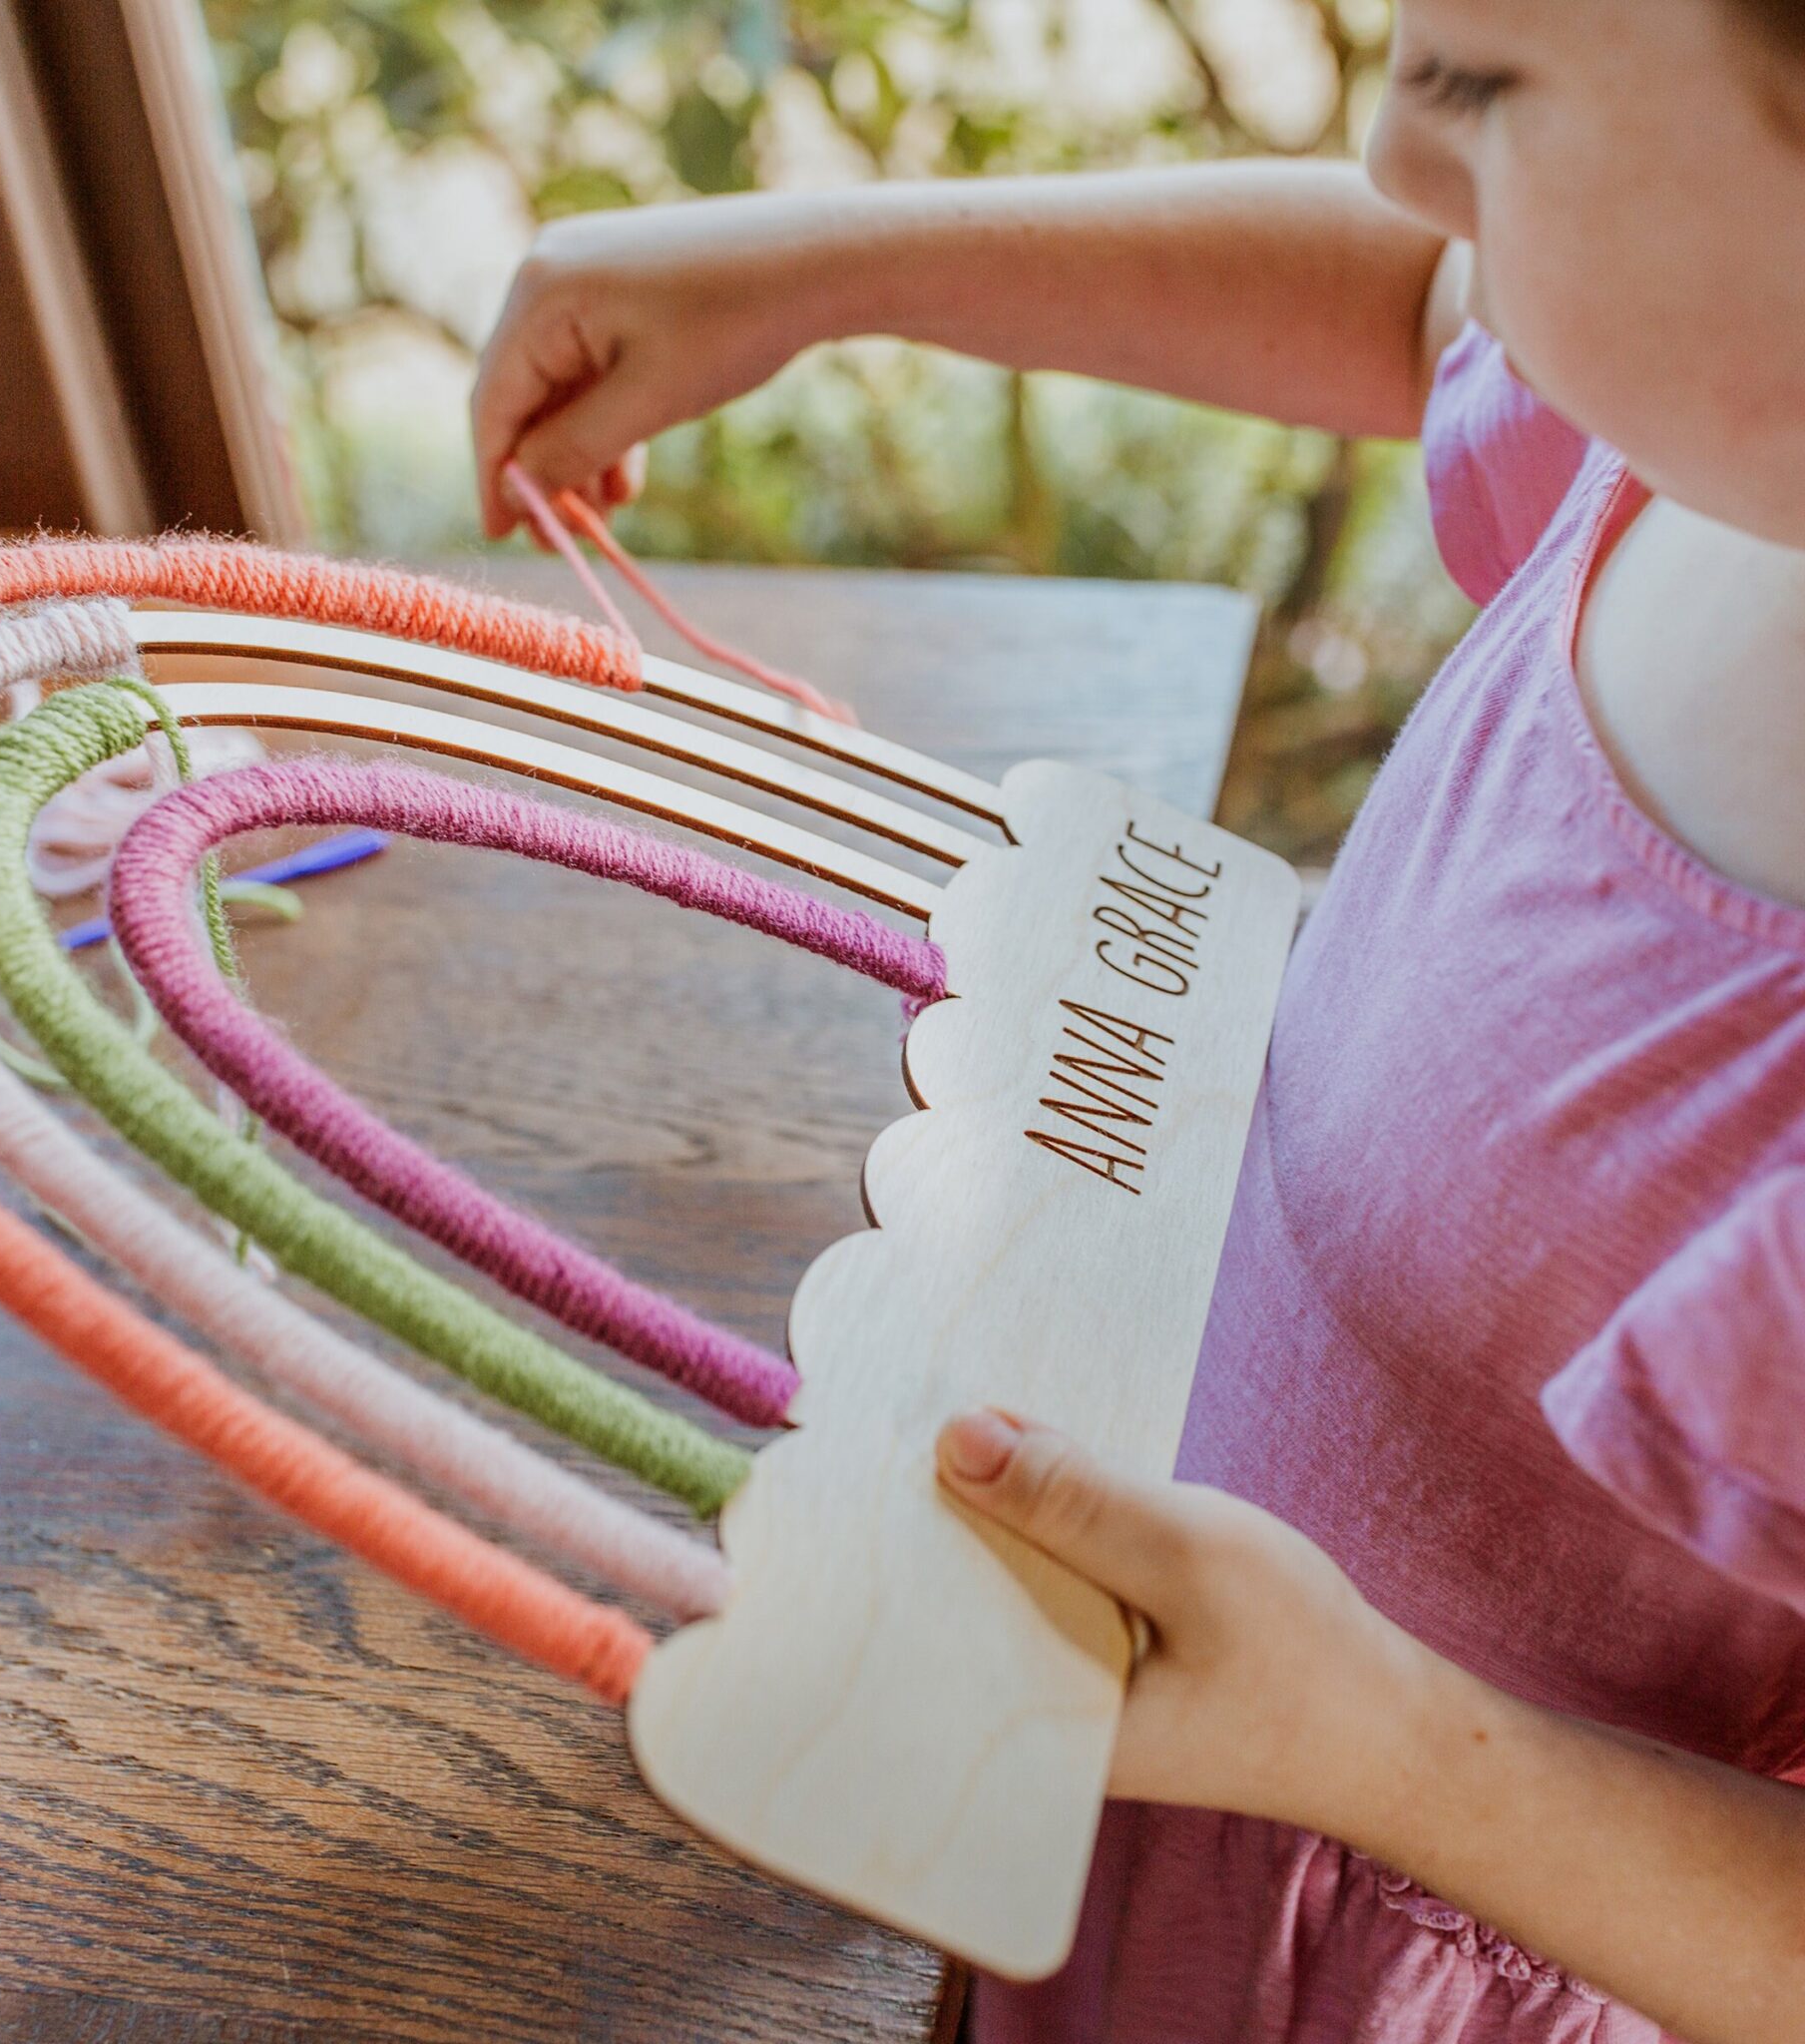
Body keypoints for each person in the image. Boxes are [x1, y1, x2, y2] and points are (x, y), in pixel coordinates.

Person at [470, 3, 1805, 2035]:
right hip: (1089, 1730)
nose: (1391, 153)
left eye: (1477, 83)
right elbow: (1424, 299)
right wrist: (821, 269)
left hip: (1358, 1920)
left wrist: (1378, 1746)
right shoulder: (1697, 422)